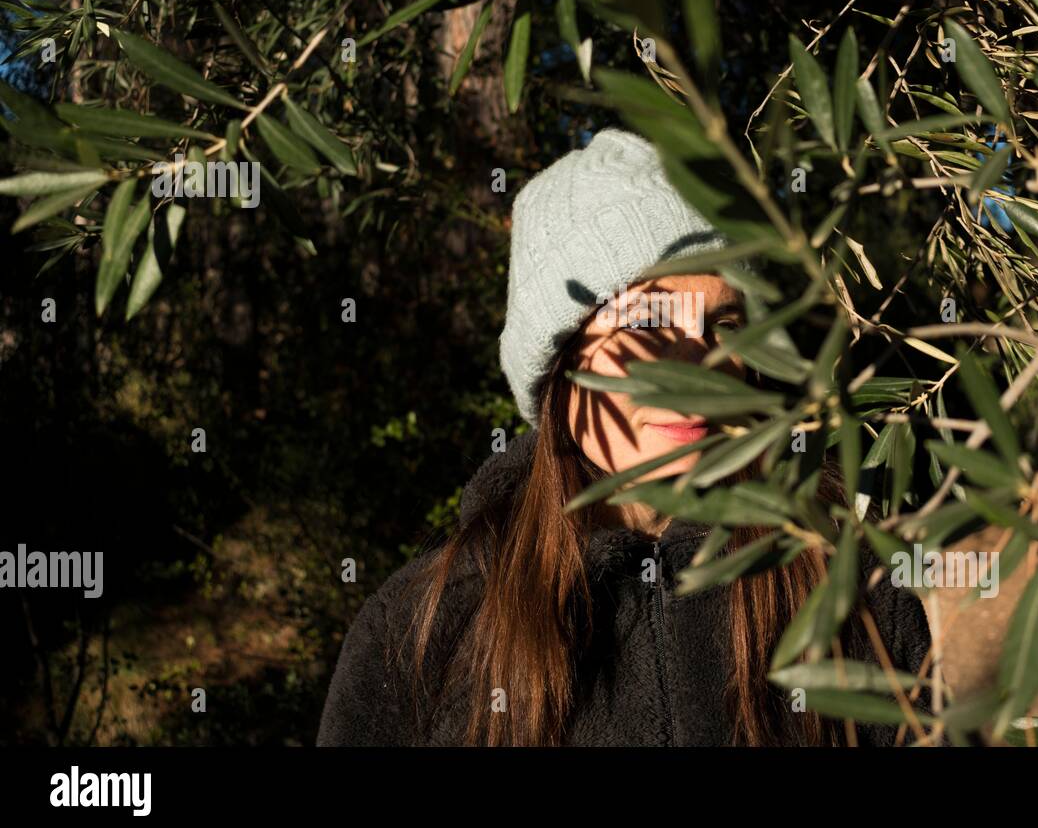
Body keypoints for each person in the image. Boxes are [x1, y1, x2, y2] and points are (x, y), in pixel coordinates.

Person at [317, 128, 933, 746]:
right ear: (560, 361)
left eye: (723, 324)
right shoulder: (422, 629)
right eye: (646, 320)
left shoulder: (849, 585)